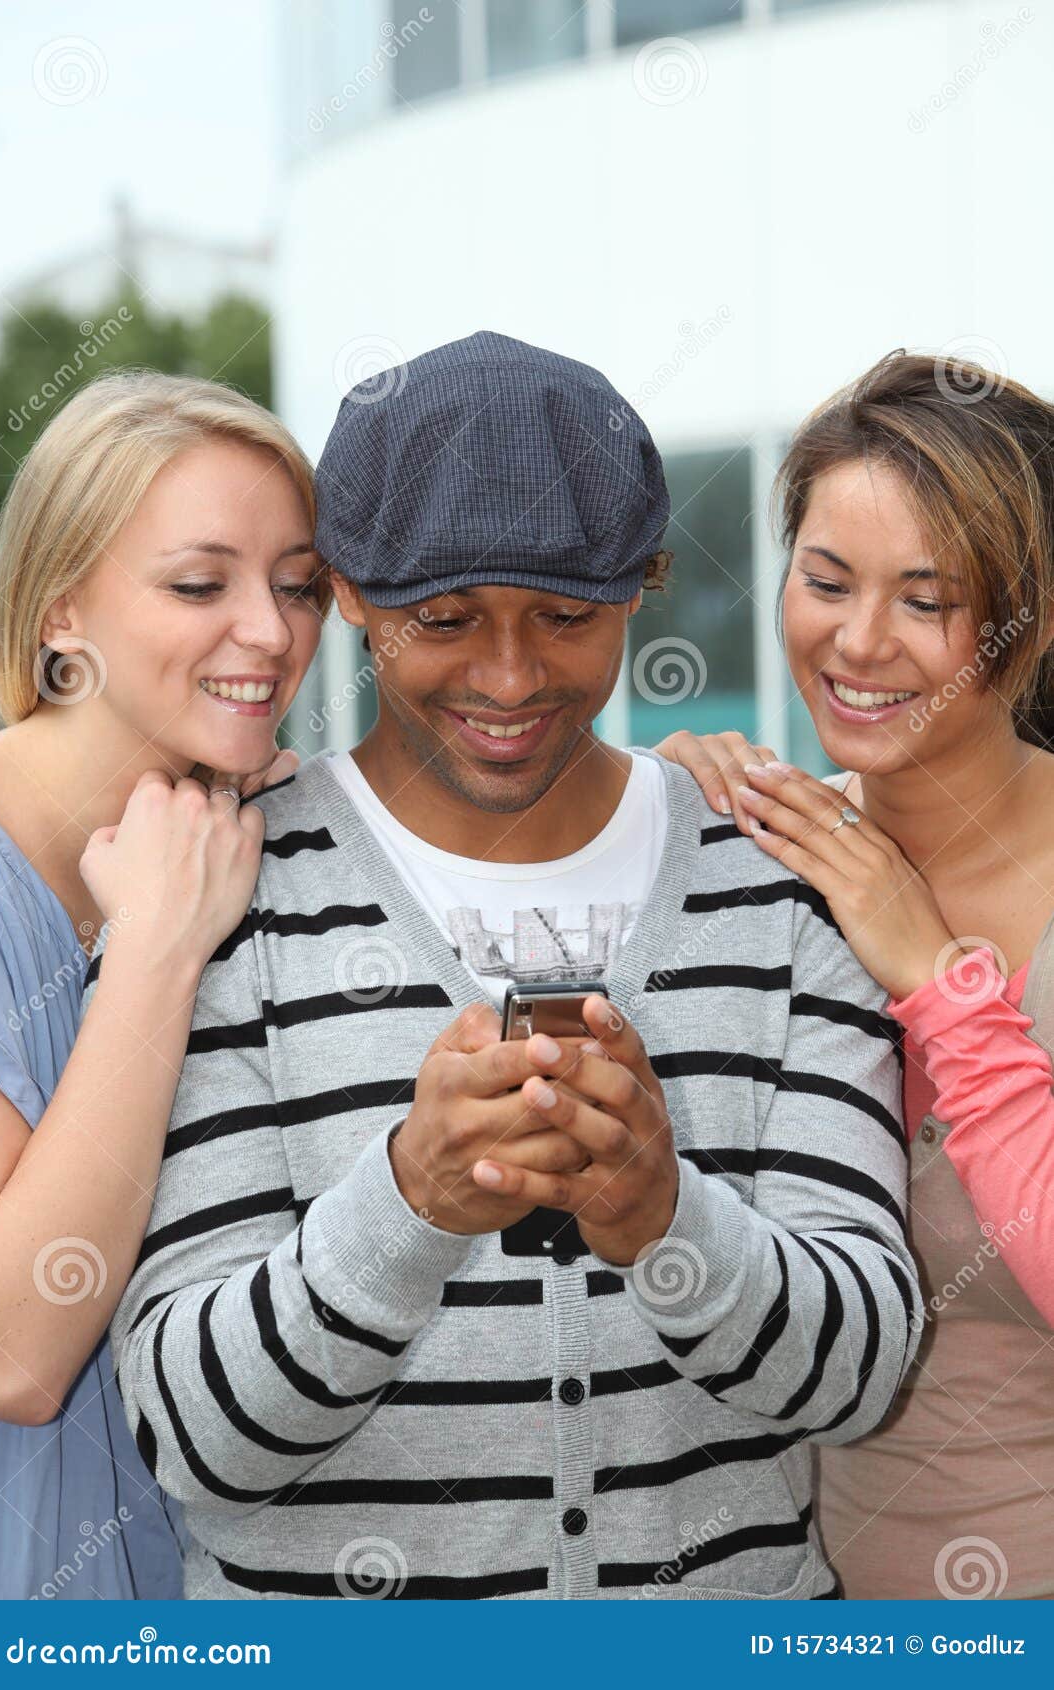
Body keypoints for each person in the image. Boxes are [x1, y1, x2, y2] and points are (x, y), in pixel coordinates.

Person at [92, 331, 921, 1602]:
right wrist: (406, 1205)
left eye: (564, 617)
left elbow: (858, 1375)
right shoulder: (215, 895)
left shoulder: (781, 882)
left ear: (643, 584)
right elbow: (196, 1439)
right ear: (350, 594)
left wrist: (662, 1218)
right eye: (444, 619)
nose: (509, 675)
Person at [655, 349, 1054, 1599]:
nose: (857, 641)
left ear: (1025, 624)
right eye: (824, 581)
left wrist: (933, 975)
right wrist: (648, 828)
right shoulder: (769, 852)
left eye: (925, 601)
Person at [0, 370, 329, 1597]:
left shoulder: (244, 821)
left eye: (298, 585)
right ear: (62, 610)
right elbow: (14, 1348)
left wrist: (679, 774)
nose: (272, 631)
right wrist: (158, 952)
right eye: (201, 583)